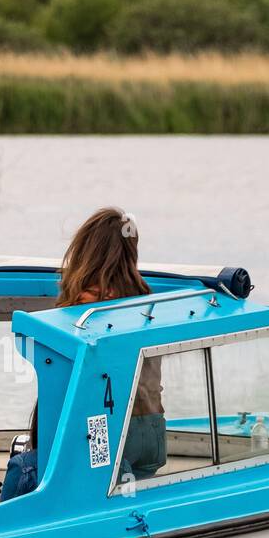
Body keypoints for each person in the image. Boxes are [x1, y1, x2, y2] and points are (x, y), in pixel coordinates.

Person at [56, 207, 165, 483]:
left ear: (86, 250)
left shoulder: (84, 304)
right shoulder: (145, 297)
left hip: (106, 428)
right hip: (153, 427)